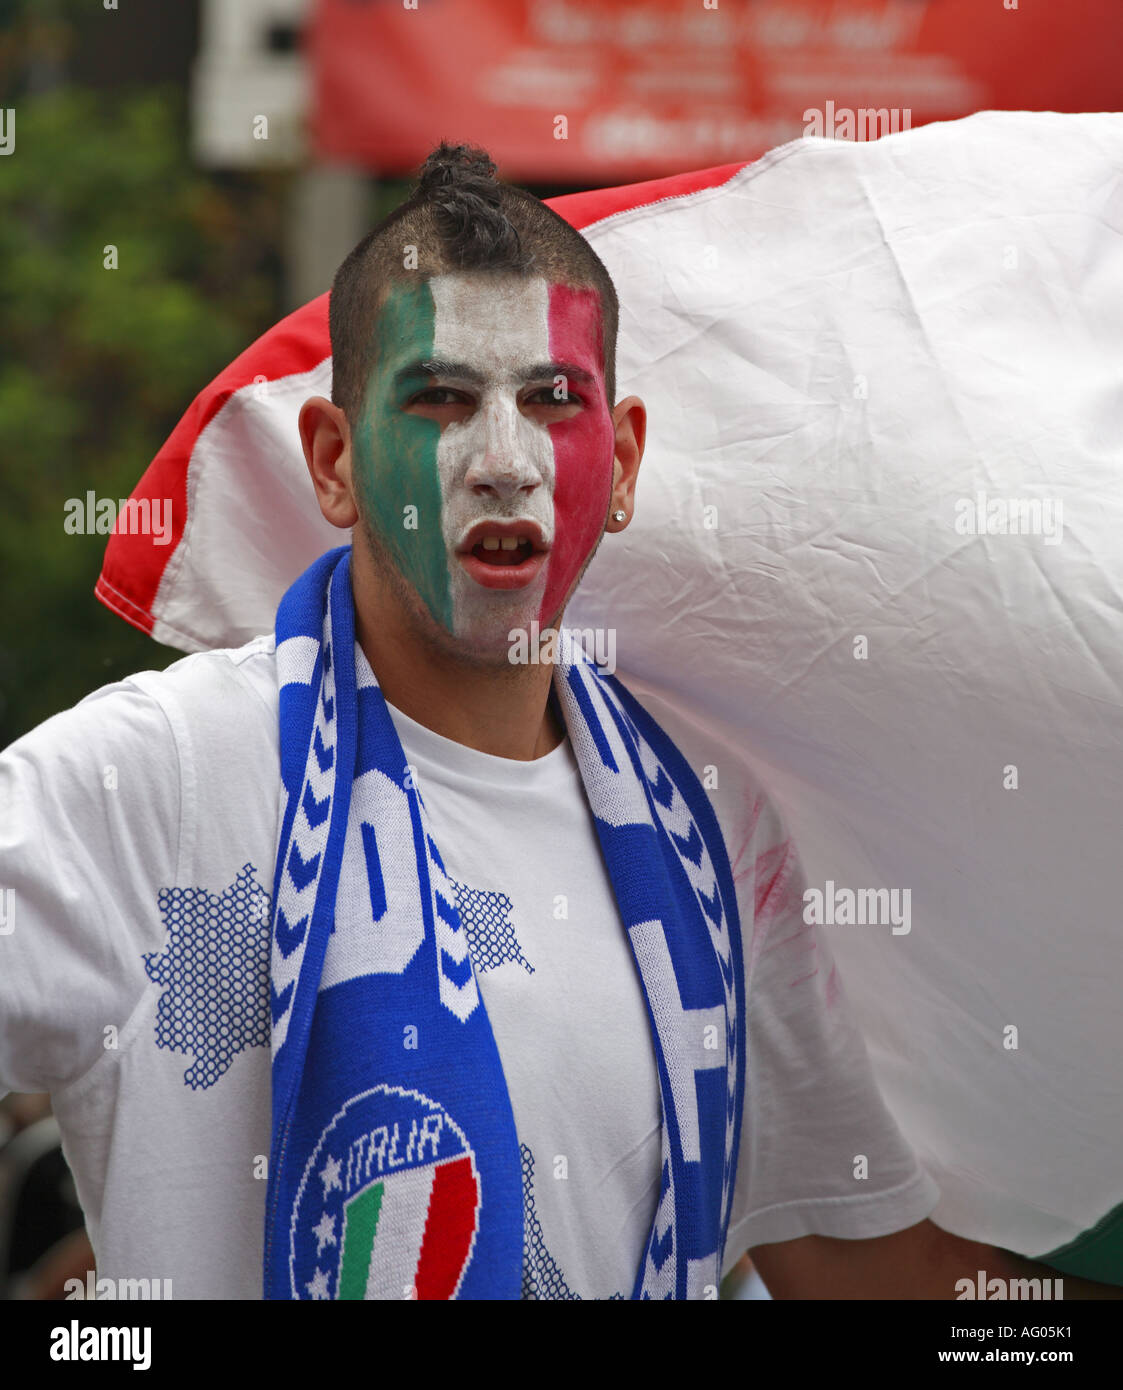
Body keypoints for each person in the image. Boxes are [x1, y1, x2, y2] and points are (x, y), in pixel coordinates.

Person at [0, 140, 1113, 1301]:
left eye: (552, 399)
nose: (503, 461)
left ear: (621, 463)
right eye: (439, 397)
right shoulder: (156, 778)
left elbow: (868, 1274)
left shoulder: (715, 842)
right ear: (333, 461)